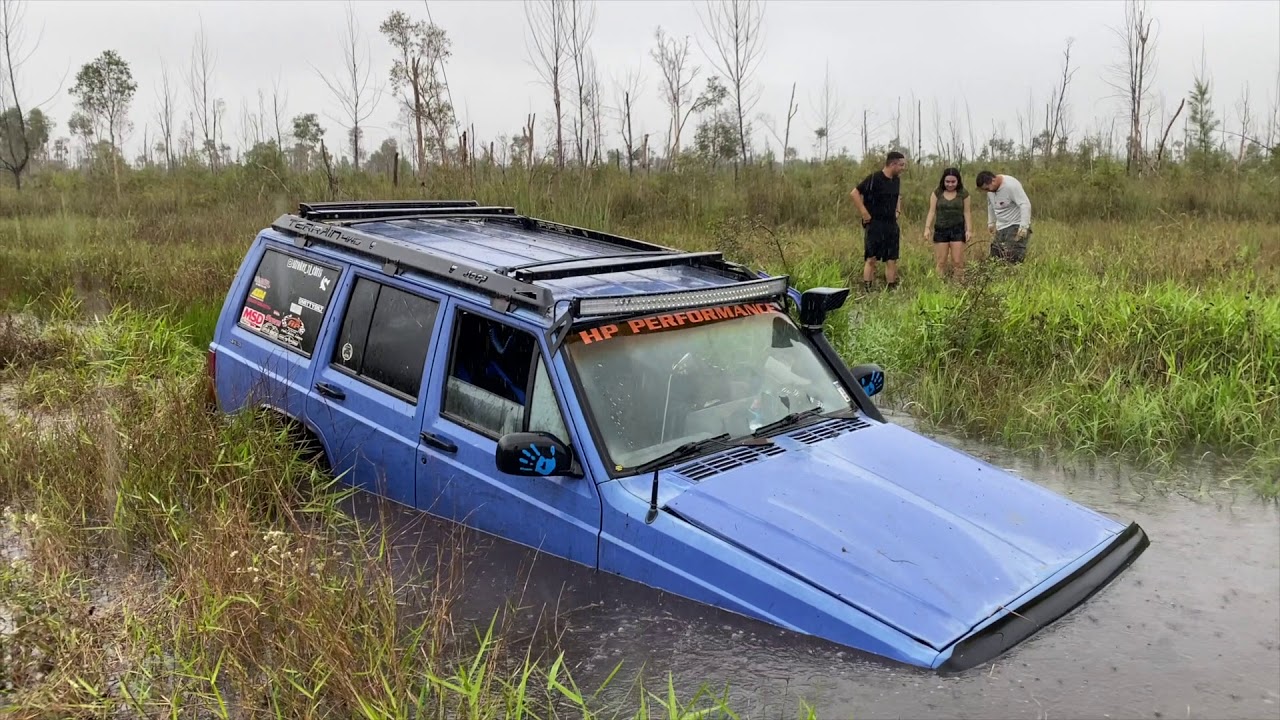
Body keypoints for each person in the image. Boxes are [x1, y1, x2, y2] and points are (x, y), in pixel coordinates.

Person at [850, 151, 907, 291]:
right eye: (901, 165)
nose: (903, 168)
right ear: (892, 164)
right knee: (871, 258)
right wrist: (864, 213)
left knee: (891, 259)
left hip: (891, 224)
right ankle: (868, 289)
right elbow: (854, 193)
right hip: (875, 224)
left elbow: (898, 196)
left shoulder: (896, 180)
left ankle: (891, 289)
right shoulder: (874, 178)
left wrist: (897, 210)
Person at [922, 167, 972, 280]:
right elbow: (932, 211)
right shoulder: (937, 193)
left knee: (958, 261)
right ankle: (939, 286)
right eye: (947, 182)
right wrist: (927, 228)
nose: (950, 184)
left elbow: (967, 212)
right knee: (941, 261)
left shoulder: (963, 193)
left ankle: (958, 285)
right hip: (941, 230)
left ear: (958, 181)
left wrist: (969, 230)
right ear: (943, 181)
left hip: (958, 230)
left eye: (953, 182)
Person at [975, 169, 1032, 263]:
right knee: (995, 257)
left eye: (987, 188)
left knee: (1013, 257)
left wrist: (1023, 227)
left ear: (993, 181)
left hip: (1015, 225)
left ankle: (1013, 276)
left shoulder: (1011, 186)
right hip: (1001, 226)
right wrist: (991, 223)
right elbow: (991, 205)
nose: (987, 191)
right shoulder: (990, 191)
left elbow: (1025, 204)